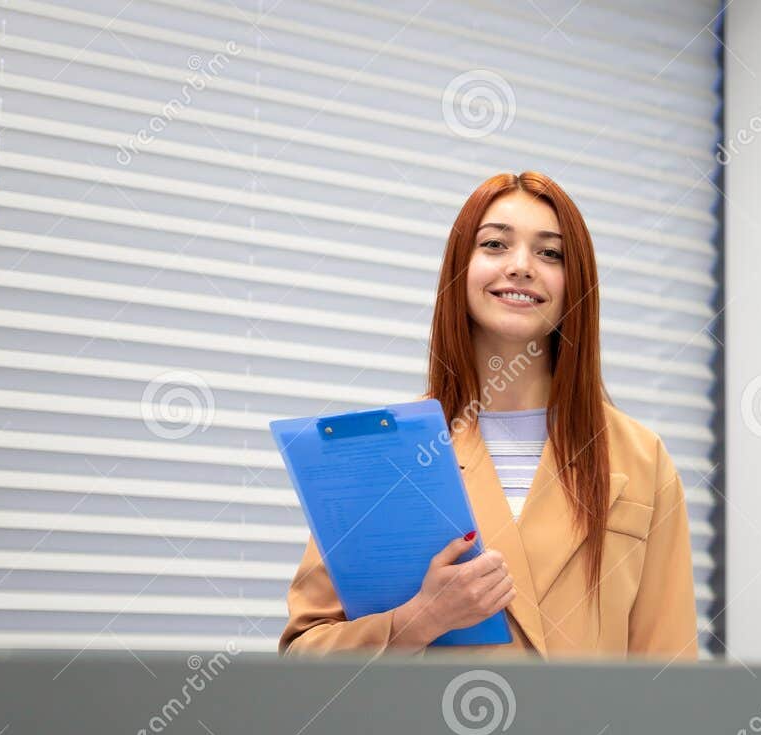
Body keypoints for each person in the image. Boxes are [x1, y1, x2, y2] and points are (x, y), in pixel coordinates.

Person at [279, 171, 700, 662]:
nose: (521, 266)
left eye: (550, 253)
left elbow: (669, 674)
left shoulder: (641, 457)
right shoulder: (381, 452)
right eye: (495, 245)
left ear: (576, 284)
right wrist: (418, 620)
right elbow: (303, 658)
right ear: (461, 270)